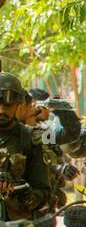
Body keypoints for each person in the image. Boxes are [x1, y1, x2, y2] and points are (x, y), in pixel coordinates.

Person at [0, 74, 51, 219]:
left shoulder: (29, 139)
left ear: (17, 104)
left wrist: (28, 196)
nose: (1, 110)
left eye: (7, 105)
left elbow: (43, 191)